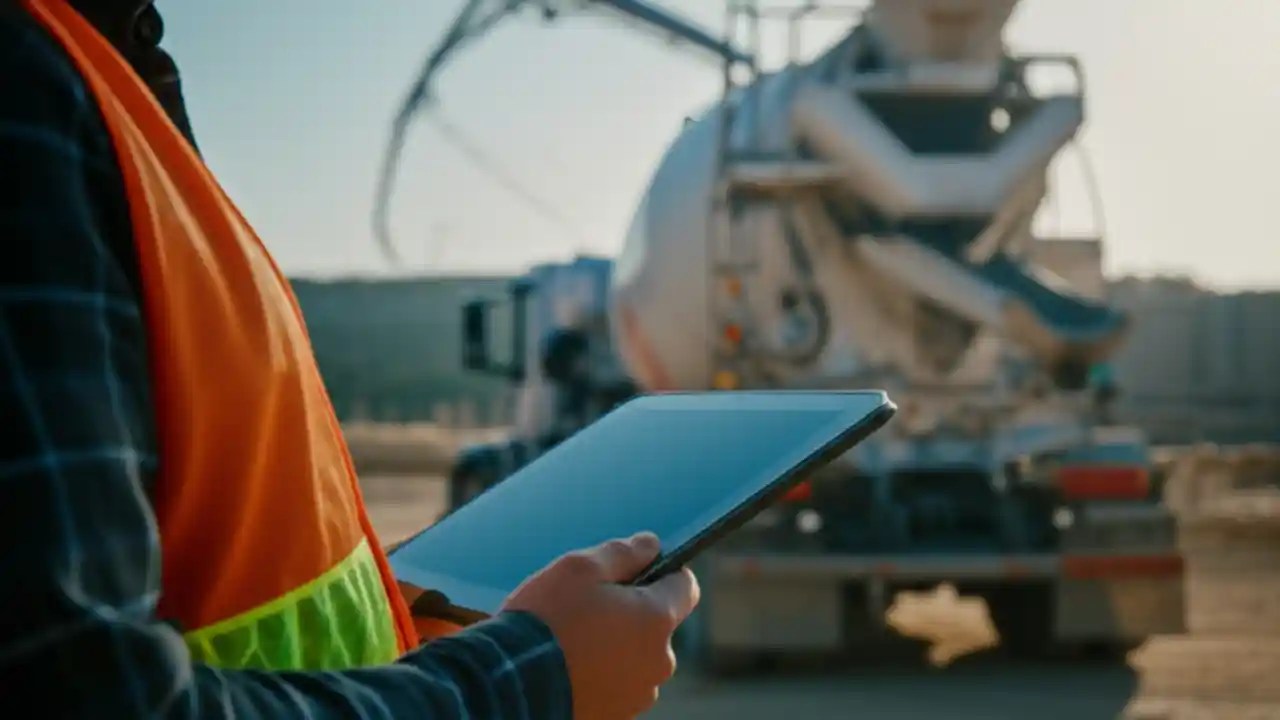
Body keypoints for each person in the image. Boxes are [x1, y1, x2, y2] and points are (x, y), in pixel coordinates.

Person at [0, 1, 699, 717]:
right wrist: (526, 676)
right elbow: (83, 696)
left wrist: (417, 621)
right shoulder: (26, 88)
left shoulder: (101, 79)